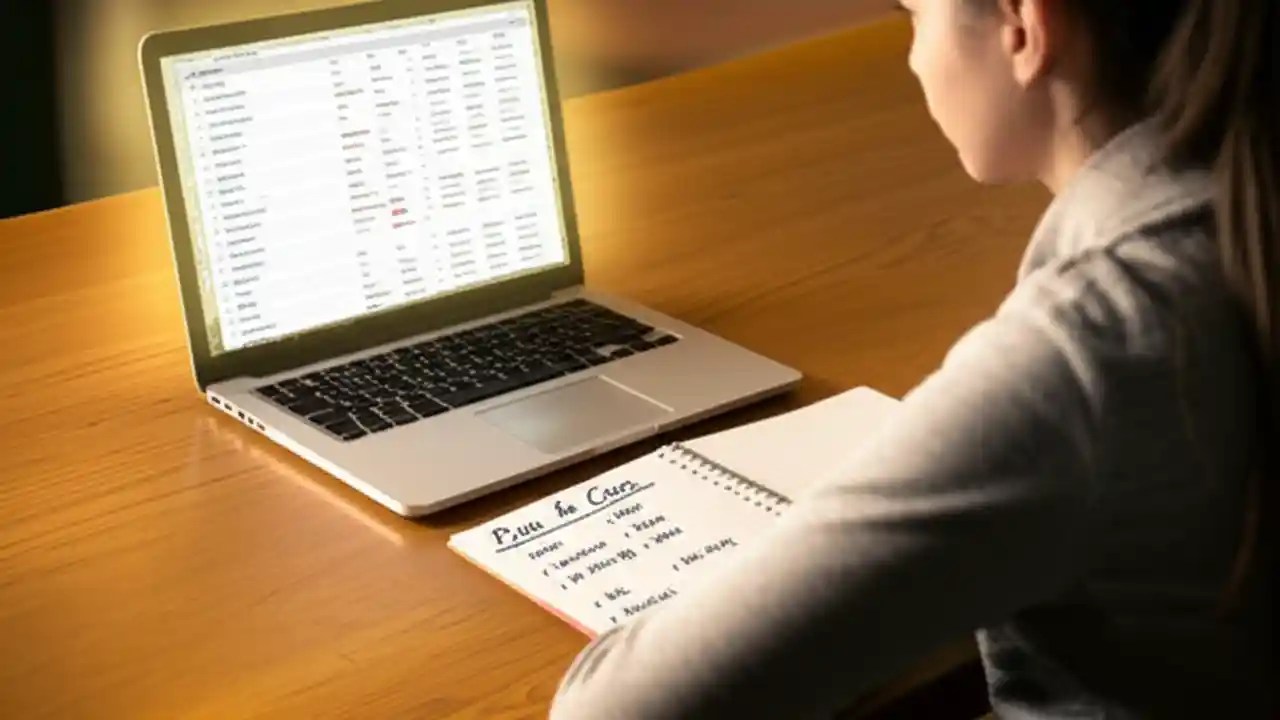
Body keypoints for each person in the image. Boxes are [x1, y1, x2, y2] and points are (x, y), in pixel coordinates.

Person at [548, 0, 1277, 717]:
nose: (914, 58)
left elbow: (615, 711)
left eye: (914, 16)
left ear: (1024, 28)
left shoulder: (1083, 357)